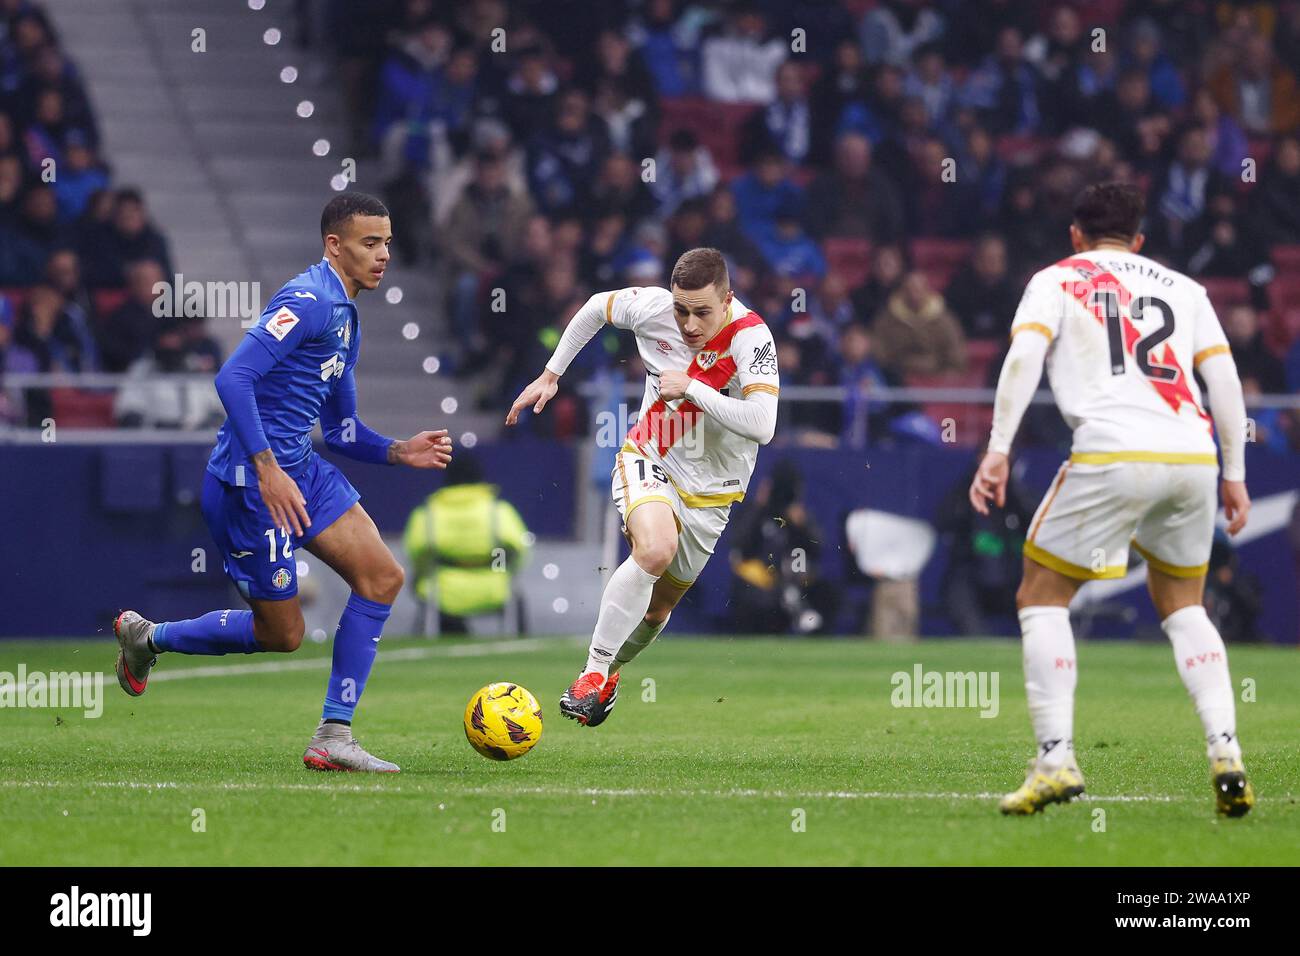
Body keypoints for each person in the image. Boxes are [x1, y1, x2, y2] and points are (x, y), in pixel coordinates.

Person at [111, 194, 453, 773]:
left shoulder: (347, 316)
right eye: (371, 243)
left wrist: (397, 450)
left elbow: (341, 431)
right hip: (250, 484)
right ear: (334, 246)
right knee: (284, 635)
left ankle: (333, 736)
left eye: (388, 243)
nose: (384, 255)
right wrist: (268, 469)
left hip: (303, 471)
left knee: (382, 577)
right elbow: (233, 376)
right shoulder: (309, 298)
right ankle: (150, 638)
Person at [970, 182, 1254, 817]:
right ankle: (1226, 749)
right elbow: (1225, 380)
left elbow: (1023, 358)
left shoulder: (1056, 279)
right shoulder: (1187, 289)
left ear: (1075, 234)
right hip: (1191, 456)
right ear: (1141, 240)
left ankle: (1054, 759)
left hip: (1113, 452)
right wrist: (1234, 472)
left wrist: (997, 448)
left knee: (1041, 595)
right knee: (1184, 605)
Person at [506, 247, 778, 727]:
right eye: (681, 310)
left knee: (656, 613)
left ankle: (609, 674)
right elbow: (595, 307)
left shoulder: (752, 338)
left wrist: (692, 388)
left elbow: (763, 424)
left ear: (728, 298)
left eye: (702, 312)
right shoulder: (652, 308)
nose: (689, 324)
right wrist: (552, 374)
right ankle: (591, 674)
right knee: (654, 550)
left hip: (714, 493)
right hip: (651, 456)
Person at [402, 454, 532, 634]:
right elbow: (517, 547)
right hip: (493, 587)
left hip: (441, 590)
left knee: (422, 590)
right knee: (517, 598)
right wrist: (500, 569)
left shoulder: (428, 512)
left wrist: (426, 575)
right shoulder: (498, 509)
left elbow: (417, 552)